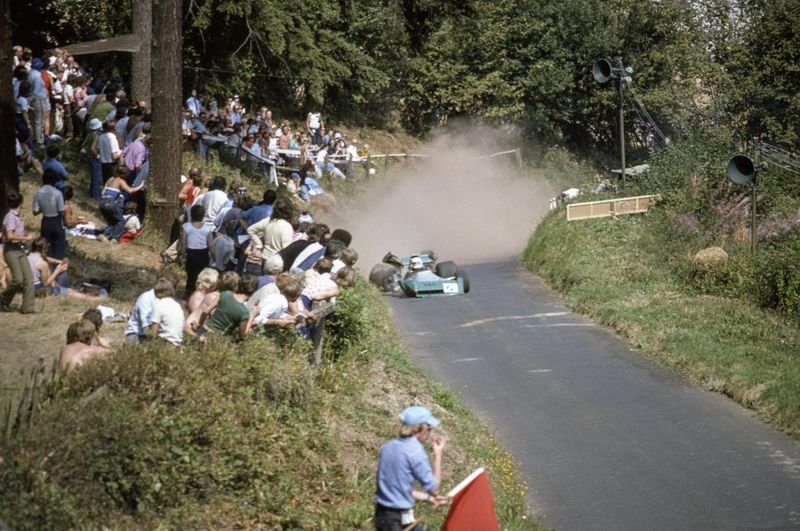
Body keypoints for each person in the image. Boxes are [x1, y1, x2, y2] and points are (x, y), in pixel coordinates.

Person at [374, 406, 447, 531]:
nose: (429, 432)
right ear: (421, 428)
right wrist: (438, 455)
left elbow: (398, 488)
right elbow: (434, 488)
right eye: (429, 428)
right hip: (397, 520)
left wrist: (428, 499)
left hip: (382, 515)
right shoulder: (415, 452)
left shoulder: (388, 447)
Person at [1, 192, 36, 313]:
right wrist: (27, 238)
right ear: (21, 203)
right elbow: (10, 236)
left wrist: (24, 237)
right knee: (18, 279)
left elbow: (16, 234)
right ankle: (3, 300)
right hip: (11, 249)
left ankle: (27, 307)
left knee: (29, 279)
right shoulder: (10, 216)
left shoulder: (17, 216)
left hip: (19, 249)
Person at [201, 272, 260, 339]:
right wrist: (252, 316)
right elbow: (243, 335)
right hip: (216, 337)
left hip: (204, 329)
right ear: (254, 291)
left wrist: (199, 325)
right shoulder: (244, 312)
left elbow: (206, 311)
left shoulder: (225, 294)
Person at [98, 167, 144, 241]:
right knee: (121, 221)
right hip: (110, 203)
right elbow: (130, 190)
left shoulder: (110, 179)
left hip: (101, 202)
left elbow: (103, 191)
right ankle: (114, 238)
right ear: (125, 175)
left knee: (112, 221)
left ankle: (104, 236)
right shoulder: (120, 180)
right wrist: (140, 186)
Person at [32, 169, 67, 260]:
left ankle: (47, 266)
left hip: (46, 221)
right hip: (56, 221)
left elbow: (35, 212)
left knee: (46, 246)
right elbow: (62, 211)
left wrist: (43, 208)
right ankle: (57, 265)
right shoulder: (58, 193)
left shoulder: (38, 192)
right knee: (59, 245)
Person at [180, 204, 213, 296]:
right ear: (203, 216)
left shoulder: (186, 226)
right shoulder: (207, 228)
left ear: (191, 214)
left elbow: (183, 243)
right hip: (203, 254)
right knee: (201, 276)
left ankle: (188, 294)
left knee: (191, 276)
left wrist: (183, 256)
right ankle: (199, 294)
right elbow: (211, 245)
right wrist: (215, 256)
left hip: (190, 254)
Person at [149, 277, 185, 346]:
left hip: (165, 342)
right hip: (177, 343)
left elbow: (153, 331)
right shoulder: (177, 305)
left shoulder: (159, 305)